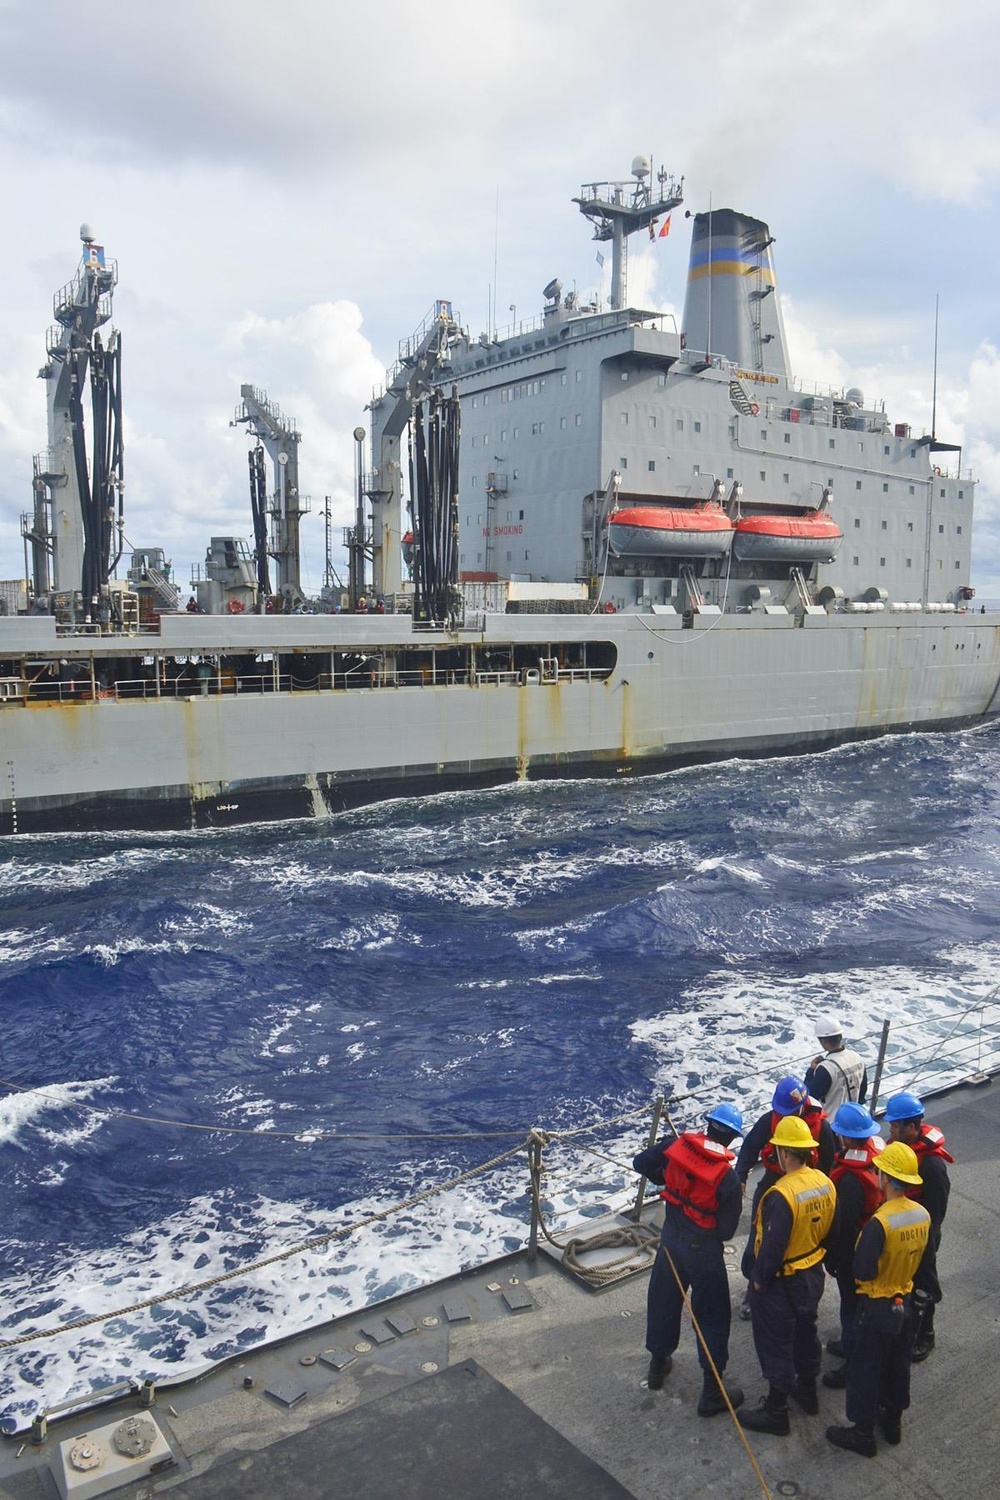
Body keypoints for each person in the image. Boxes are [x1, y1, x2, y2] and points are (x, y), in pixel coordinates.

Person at [631, 1102, 745, 1416]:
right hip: (704, 1250)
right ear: (732, 1138)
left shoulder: (675, 1147)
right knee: (711, 1315)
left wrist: (668, 1178)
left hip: (670, 1238)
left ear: (708, 1126)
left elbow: (640, 1162)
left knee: (664, 1300)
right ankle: (712, 1391)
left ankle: (658, 1365)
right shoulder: (728, 1178)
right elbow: (726, 1229)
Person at [825, 1140, 931, 1458]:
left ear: (885, 1177)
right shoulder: (921, 1215)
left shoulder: (880, 1222)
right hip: (906, 1299)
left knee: (866, 1368)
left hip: (877, 1305)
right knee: (898, 1364)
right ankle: (893, 1420)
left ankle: (862, 1433)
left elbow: (863, 1270)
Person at [739, 1115, 838, 1435]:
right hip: (812, 1273)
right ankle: (808, 1392)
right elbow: (830, 1232)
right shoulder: (826, 1182)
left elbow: (772, 1247)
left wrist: (758, 1279)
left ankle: (776, 1409)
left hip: (782, 1279)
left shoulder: (781, 1194)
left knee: (776, 1341)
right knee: (806, 1331)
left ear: (782, 1152)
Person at [735, 1077, 835, 1317]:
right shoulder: (770, 1120)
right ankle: (754, 1288)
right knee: (756, 1242)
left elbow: (828, 1162)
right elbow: (750, 1147)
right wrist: (740, 1176)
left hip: (805, 1186)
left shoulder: (821, 1128)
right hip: (774, 1180)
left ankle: (803, 1293)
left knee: (804, 1243)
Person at [883, 1091, 953, 1361]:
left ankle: (926, 1335)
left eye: (895, 1124)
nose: (891, 1128)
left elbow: (937, 1211)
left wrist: (926, 1242)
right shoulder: (899, 1147)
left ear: (912, 1127)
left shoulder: (932, 1166)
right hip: (898, 1232)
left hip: (921, 1236)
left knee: (924, 1285)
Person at [821, 1103, 882, 1387]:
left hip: (853, 1254)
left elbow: (844, 1228)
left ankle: (852, 1361)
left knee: (851, 1307)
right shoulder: (874, 1158)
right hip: (869, 1243)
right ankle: (851, 1347)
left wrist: (832, 1260)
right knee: (857, 1305)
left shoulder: (848, 1180)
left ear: (844, 1138)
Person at [804, 1014, 867, 1112]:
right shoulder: (857, 1057)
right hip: (854, 1117)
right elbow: (862, 1093)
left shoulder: (826, 1068)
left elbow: (810, 1097)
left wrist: (811, 1071)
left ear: (823, 1040)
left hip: (832, 1123)